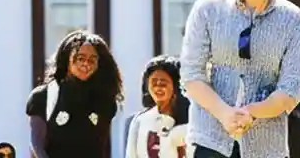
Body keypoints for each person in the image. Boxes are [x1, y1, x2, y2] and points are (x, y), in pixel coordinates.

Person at [180, 0, 300, 158]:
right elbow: (191, 75)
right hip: (211, 141)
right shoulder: (207, 10)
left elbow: (291, 89)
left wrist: (251, 112)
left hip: (266, 147)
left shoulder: (294, 20)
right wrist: (225, 114)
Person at [25, 30, 124, 158]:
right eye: (80, 58)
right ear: (67, 59)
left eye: (92, 60)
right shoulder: (43, 96)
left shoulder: (104, 99)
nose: (86, 64)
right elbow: (36, 146)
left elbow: (104, 147)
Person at [125, 55, 191, 158]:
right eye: (154, 82)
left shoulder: (191, 121)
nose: (158, 88)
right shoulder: (140, 121)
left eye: (163, 83)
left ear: (176, 86)